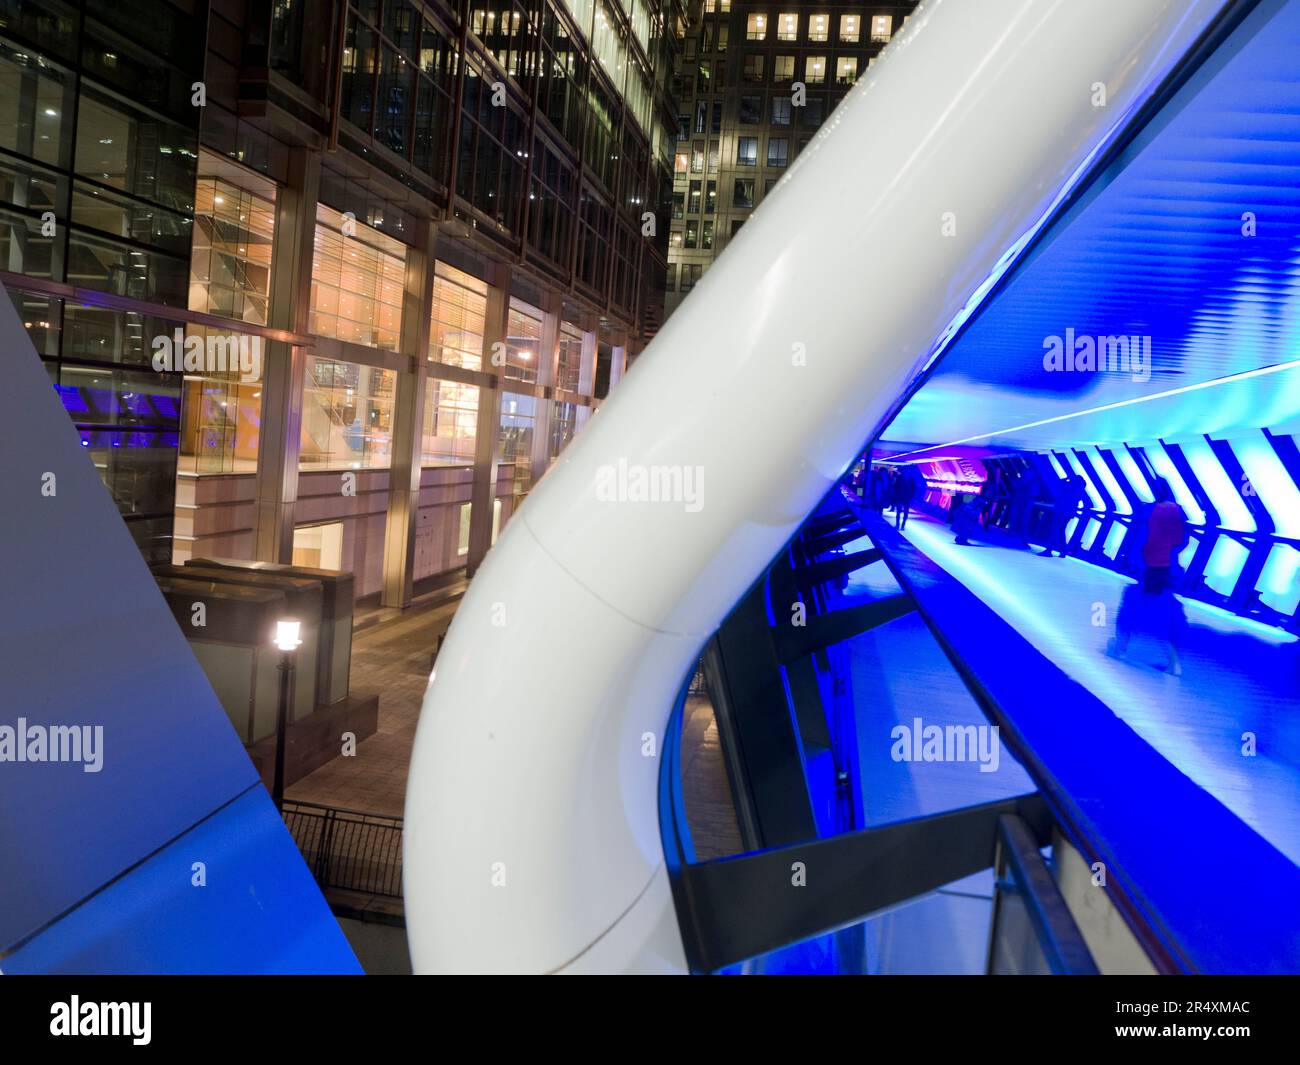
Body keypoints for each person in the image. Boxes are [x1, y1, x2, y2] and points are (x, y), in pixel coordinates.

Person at [1110, 481, 1187, 675]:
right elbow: (1182, 541)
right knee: (1171, 612)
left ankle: (1121, 647)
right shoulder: (1178, 512)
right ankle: (1174, 662)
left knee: (1132, 605)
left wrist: (1136, 562)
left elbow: (1142, 538)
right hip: (1168, 567)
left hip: (1150, 565)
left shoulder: (1150, 510)